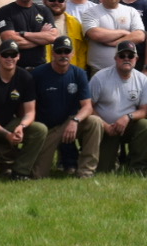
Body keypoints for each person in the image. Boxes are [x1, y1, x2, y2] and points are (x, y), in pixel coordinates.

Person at [30, 37, 101, 178]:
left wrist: (75, 121)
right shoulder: (38, 74)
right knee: (38, 175)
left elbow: (87, 106)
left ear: (72, 53)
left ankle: (86, 171)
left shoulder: (79, 74)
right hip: (48, 129)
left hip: (71, 123)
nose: (63, 55)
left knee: (95, 121)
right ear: (53, 53)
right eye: (59, 51)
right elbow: (29, 107)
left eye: (67, 51)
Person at [0, 39, 47, 180]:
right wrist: (6, 134)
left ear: (18, 57)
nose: (10, 58)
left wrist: (21, 126)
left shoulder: (25, 77)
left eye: (13, 55)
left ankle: (20, 171)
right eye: (5, 55)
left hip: (11, 123)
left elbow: (30, 112)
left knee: (39, 129)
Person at [88, 41, 147, 173]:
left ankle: (137, 168)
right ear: (115, 58)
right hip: (106, 128)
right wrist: (105, 126)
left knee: (145, 126)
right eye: (122, 55)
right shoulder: (100, 77)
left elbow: (144, 111)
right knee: (104, 170)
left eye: (130, 56)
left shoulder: (142, 79)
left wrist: (127, 117)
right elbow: (88, 107)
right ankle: (114, 161)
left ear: (136, 59)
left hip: (128, 125)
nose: (126, 58)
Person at [0, 0, 59, 70]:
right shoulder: (5, 11)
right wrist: (42, 38)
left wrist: (23, 34)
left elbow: (53, 37)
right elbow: (10, 39)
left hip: (40, 68)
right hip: (15, 69)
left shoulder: (44, 11)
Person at [84, 0, 146, 75]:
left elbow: (140, 36)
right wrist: (123, 32)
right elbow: (95, 34)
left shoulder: (131, 11)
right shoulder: (91, 12)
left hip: (126, 72)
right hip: (97, 71)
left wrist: (116, 43)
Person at [41, 0, 88, 70]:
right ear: (44, 2)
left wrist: (79, 71)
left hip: (70, 74)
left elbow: (81, 51)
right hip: (45, 73)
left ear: (65, 2)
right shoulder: (38, 23)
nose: (56, 2)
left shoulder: (75, 23)